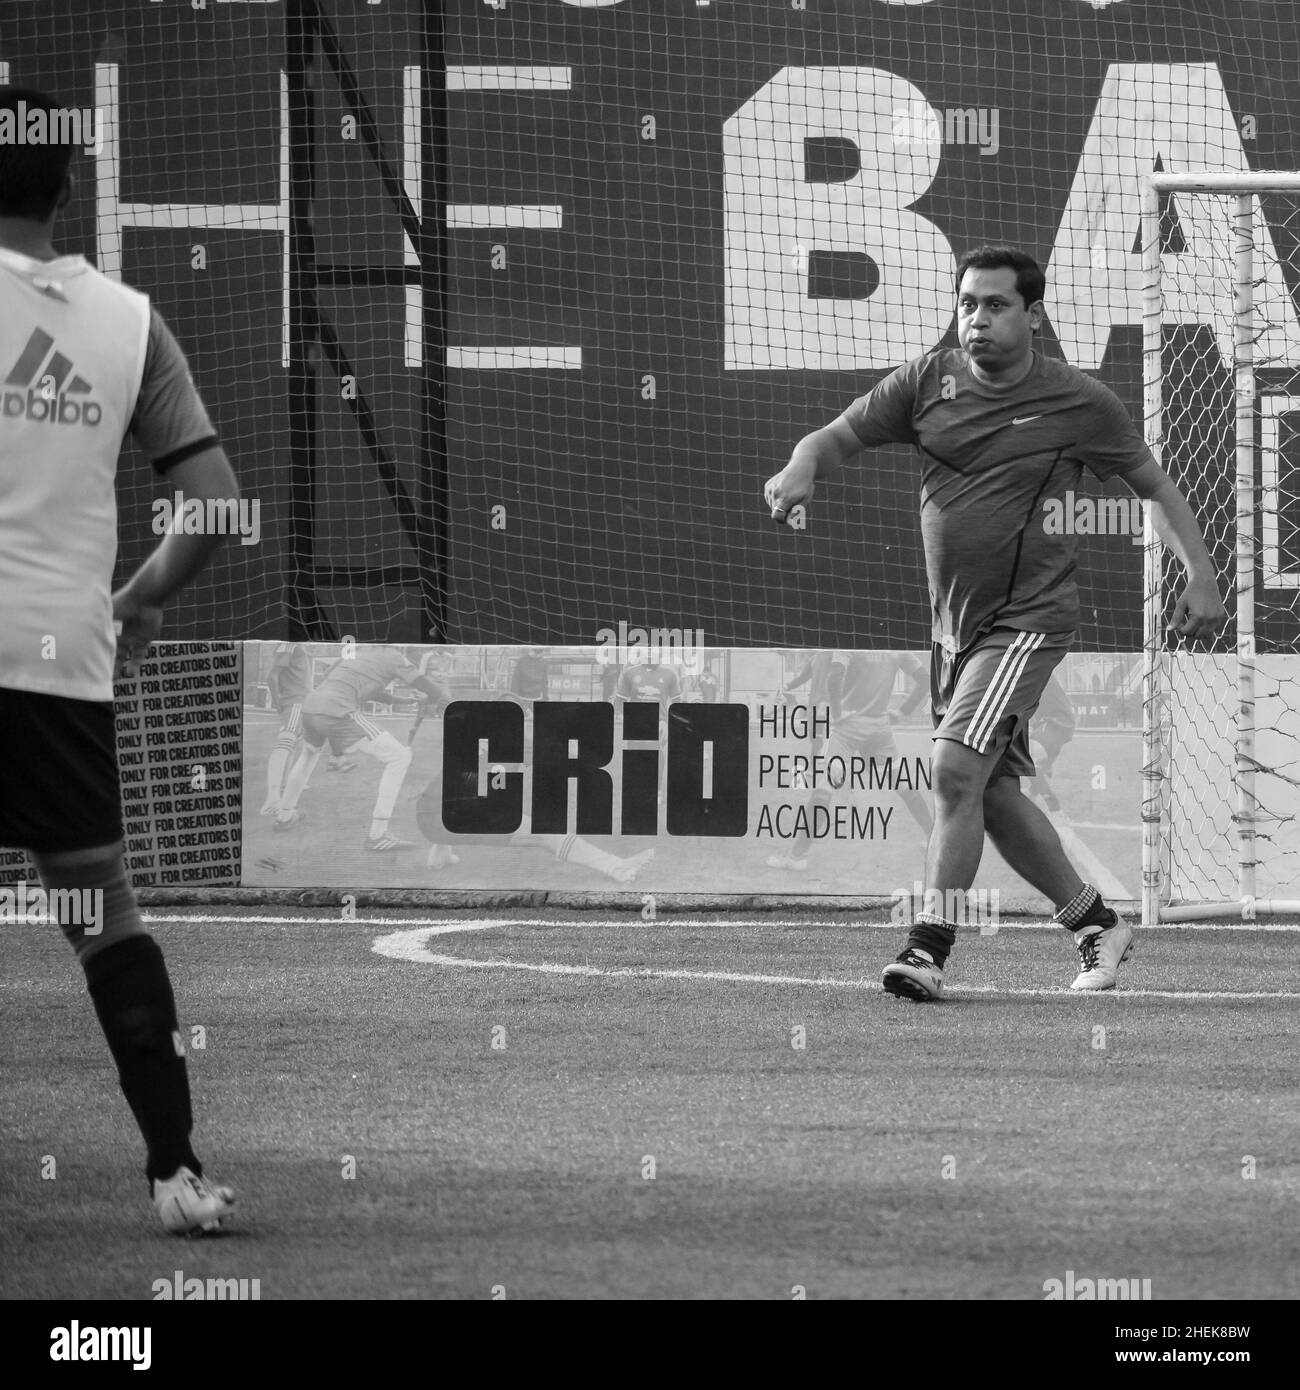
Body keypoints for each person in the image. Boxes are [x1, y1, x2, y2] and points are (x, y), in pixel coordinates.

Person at [764, 244, 1226, 999]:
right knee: (993, 795)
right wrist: (802, 464)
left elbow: (1153, 487)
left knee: (951, 773)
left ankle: (926, 949)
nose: (976, 319)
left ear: (1033, 315)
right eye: (967, 303)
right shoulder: (927, 381)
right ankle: (1095, 922)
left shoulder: (1078, 402)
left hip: (1028, 620)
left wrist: (1200, 574)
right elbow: (835, 438)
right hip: (955, 631)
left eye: (995, 305)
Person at [0, 88, 238, 1232]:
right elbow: (214, 505)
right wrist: (138, 600)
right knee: (103, 917)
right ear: (65, 186)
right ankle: (176, 1172)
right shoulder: (128, 322)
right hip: (58, 666)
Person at [766, 649, 933, 873]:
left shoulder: (851, 644)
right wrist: (903, 711)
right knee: (903, 785)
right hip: (880, 726)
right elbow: (925, 680)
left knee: (824, 788)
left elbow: (834, 676)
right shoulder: (897, 648)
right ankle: (935, 840)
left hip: (848, 726)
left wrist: (836, 713)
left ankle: (797, 856)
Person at [271, 643, 449, 851]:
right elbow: (425, 684)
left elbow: (362, 688)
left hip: (310, 707)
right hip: (338, 710)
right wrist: (446, 701)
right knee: (400, 757)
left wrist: (404, 700)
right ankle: (378, 835)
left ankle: (284, 816)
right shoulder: (393, 656)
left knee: (307, 756)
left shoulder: (358, 652)